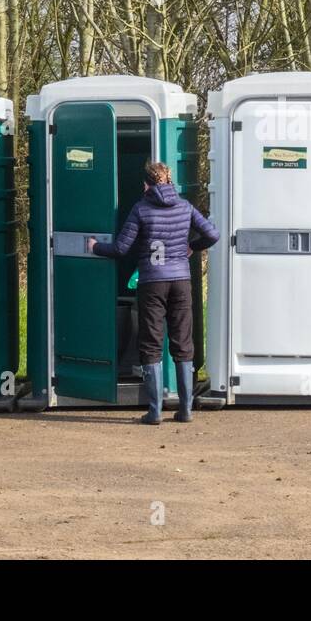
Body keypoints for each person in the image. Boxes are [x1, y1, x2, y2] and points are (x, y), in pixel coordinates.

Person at [93, 161, 219, 425]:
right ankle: (185, 410)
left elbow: (120, 249)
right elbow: (212, 234)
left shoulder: (141, 209)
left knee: (151, 344)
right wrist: (192, 246)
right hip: (181, 281)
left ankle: (155, 412)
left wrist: (95, 247)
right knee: (182, 343)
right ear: (169, 181)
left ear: (145, 184)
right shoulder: (185, 206)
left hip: (152, 283)